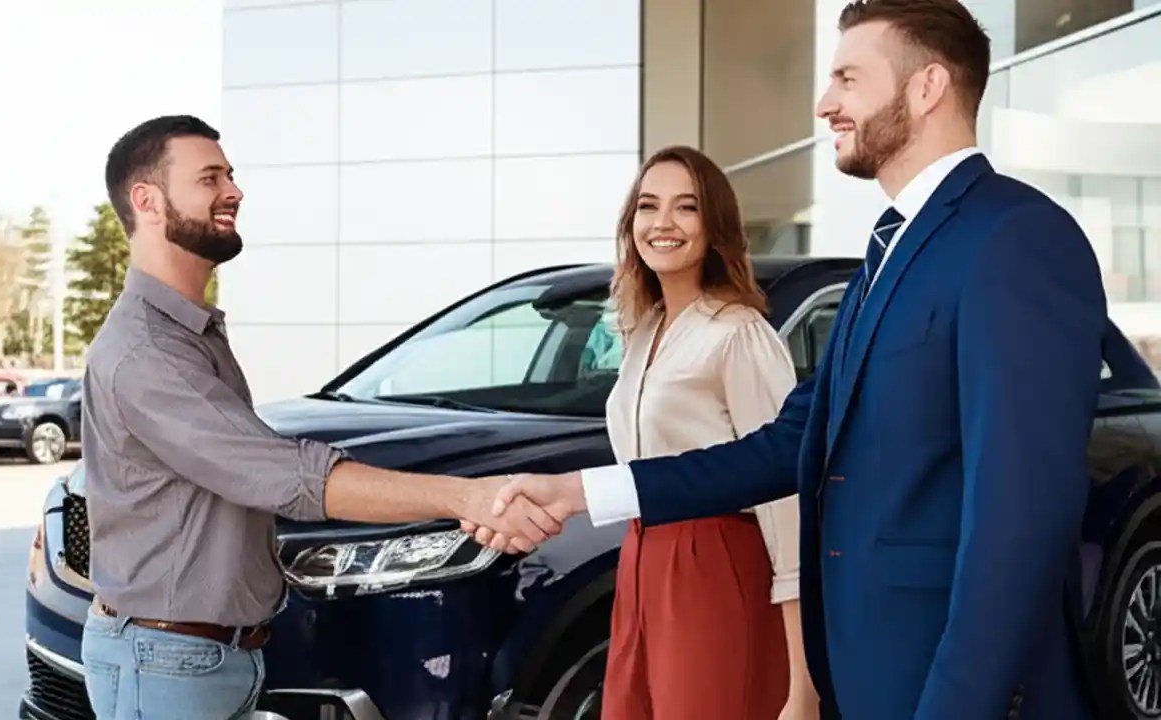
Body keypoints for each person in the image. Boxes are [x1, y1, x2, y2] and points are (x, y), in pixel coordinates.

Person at [472, 2, 1107, 718]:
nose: (824, 102)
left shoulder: (1017, 239)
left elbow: (1021, 521)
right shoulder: (889, 251)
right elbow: (784, 445)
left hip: (947, 688)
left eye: (846, 78)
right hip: (870, 676)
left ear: (926, 88)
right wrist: (580, 494)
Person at [79, 115, 560, 720]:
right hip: (168, 662)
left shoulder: (189, 333)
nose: (234, 190)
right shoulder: (148, 352)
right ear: (147, 201)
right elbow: (286, 475)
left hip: (207, 656)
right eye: (210, 177)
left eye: (229, 174)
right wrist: (467, 498)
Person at [596, 145, 817, 719]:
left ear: (713, 225)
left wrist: (803, 683)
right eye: (648, 206)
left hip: (714, 565)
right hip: (641, 561)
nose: (662, 223)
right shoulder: (643, 332)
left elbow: (786, 498)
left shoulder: (738, 334)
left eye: (685, 207)